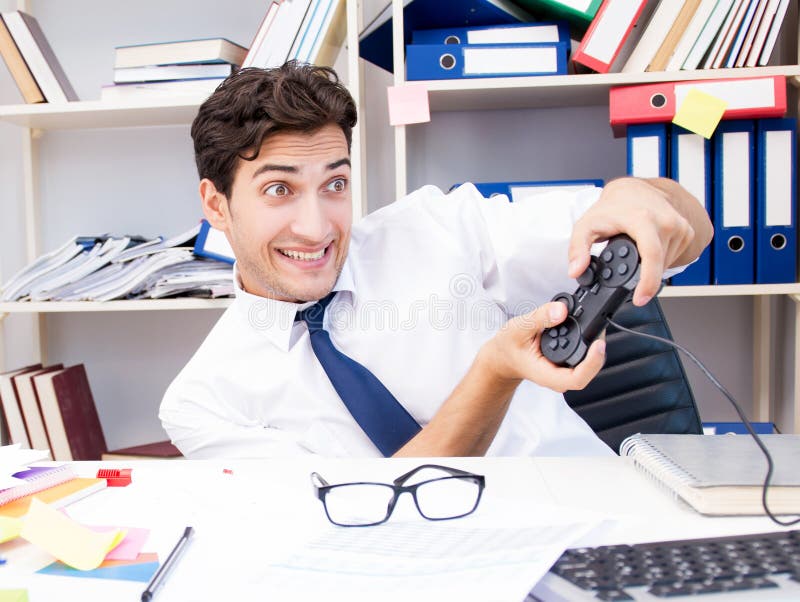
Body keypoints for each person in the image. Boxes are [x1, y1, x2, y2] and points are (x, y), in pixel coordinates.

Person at [159, 61, 713, 459]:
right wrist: (493, 373)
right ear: (217, 205)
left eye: (334, 184)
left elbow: (687, 225)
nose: (316, 226)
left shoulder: (441, 229)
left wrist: (642, 196)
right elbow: (362, 523)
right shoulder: (205, 400)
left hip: (587, 528)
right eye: (279, 190)